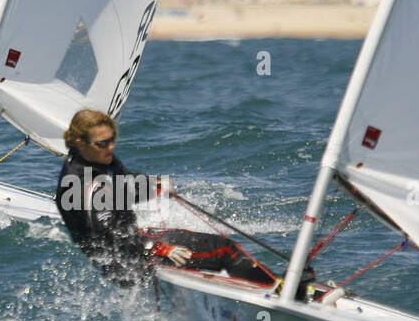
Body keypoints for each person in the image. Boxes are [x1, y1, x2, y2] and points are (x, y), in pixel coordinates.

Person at [55, 109, 274, 287]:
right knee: (225, 249)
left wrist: (153, 186)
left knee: (208, 248)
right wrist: (158, 248)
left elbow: (122, 184)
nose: (111, 147)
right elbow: (112, 236)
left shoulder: (97, 159)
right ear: (80, 142)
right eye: (102, 143)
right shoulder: (84, 185)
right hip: (128, 264)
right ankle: (280, 291)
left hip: (134, 248)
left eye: (112, 139)